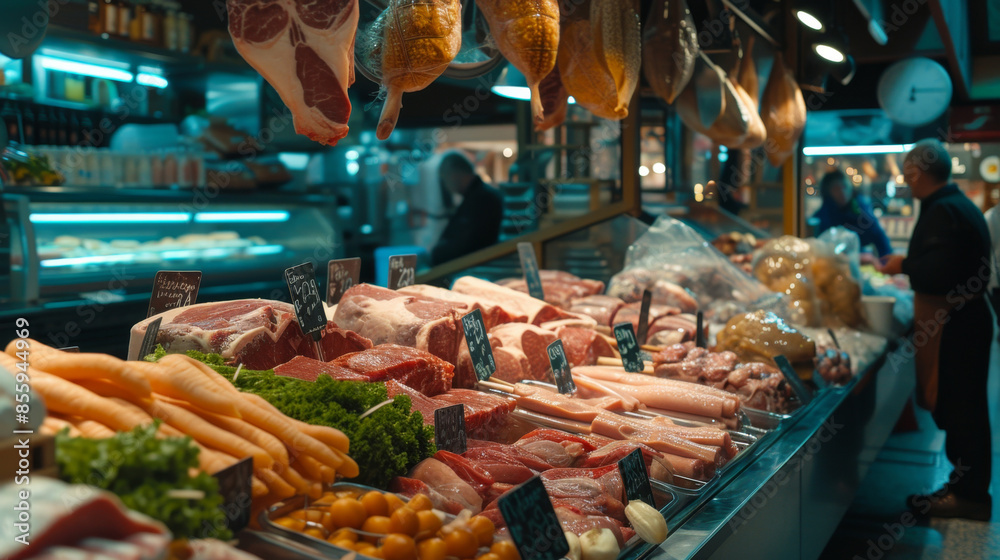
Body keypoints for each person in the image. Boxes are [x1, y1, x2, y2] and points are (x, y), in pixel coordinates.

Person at [880, 139, 994, 521]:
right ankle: (964, 487)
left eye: (906, 172)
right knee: (963, 407)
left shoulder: (944, 211)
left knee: (961, 410)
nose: (905, 181)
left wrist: (903, 265)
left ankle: (970, 496)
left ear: (915, 172)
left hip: (958, 327)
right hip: (966, 322)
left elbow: (940, 273)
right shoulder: (955, 205)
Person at [430, 151, 504, 265]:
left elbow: (468, 243)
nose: (445, 185)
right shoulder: (477, 196)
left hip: (475, 268)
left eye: (444, 179)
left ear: (454, 174)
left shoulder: (482, 199)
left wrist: (437, 255)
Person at [812, 170, 893, 258]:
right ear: (827, 193)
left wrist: (886, 262)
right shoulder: (821, 218)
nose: (842, 192)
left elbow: (879, 237)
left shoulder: (861, 210)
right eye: (836, 189)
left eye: (844, 187)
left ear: (850, 187)